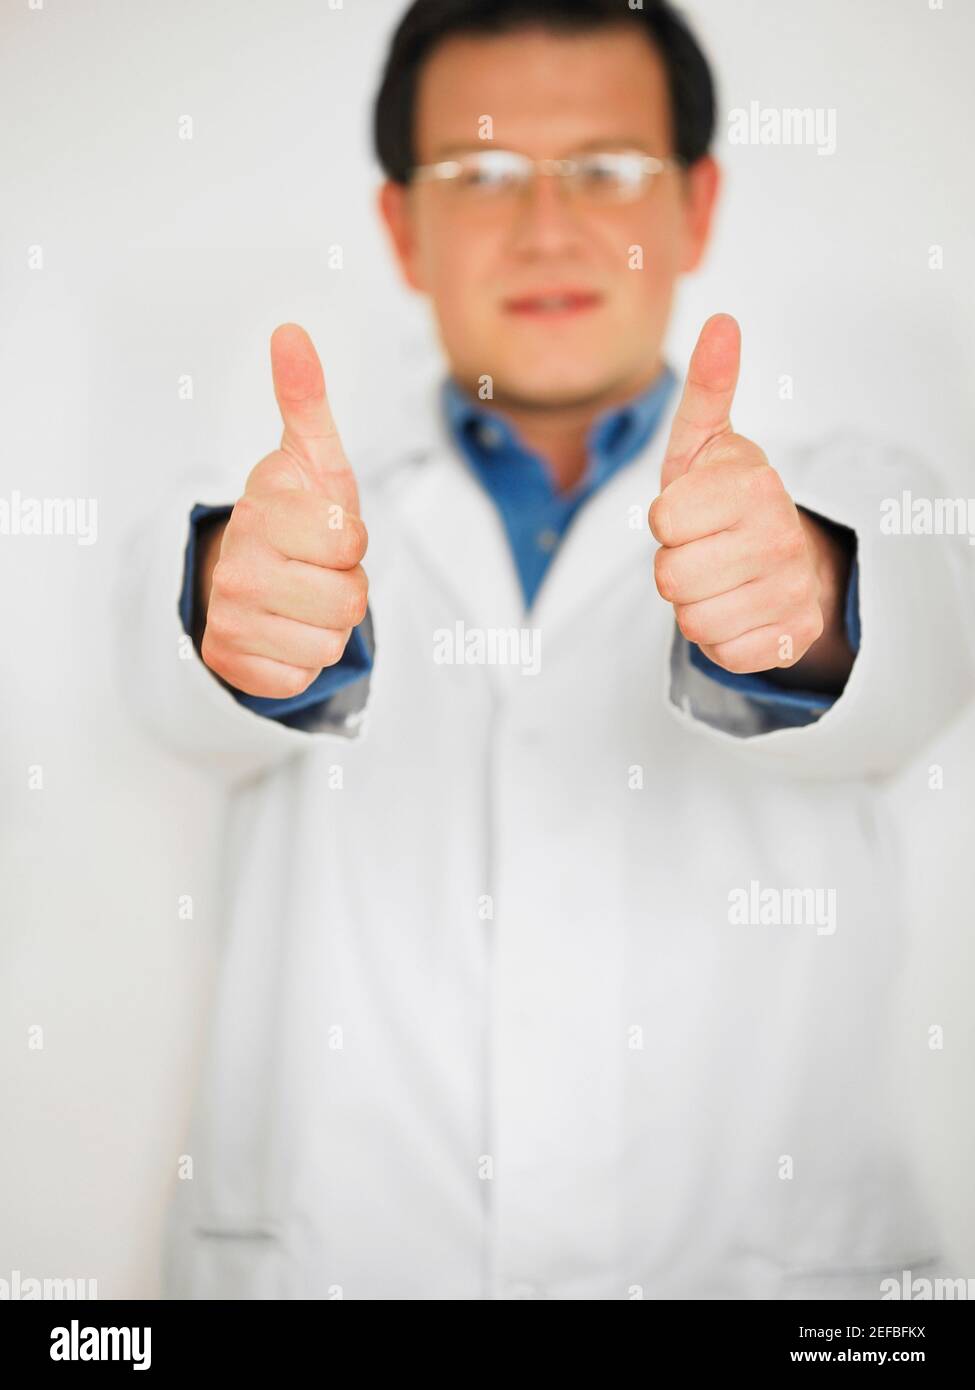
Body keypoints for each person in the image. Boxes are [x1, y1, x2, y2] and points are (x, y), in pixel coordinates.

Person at [124, 0, 973, 1299]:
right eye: (478, 174)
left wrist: (802, 600)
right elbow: (171, 675)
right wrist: (239, 612)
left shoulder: (855, 499)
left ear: (697, 203)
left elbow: (909, 653)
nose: (548, 226)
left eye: (608, 169)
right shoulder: (273, 520)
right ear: (402, 226)